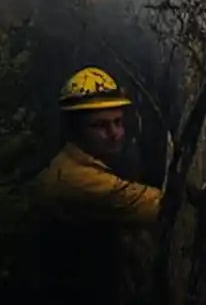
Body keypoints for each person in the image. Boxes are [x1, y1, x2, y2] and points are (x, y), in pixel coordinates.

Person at [36, 67, 163, 303]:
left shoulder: (78, 166)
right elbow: (154, 206)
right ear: (73, 130)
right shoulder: (76, 179)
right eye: (100, 125)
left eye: (118, 122)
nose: (115, 133)